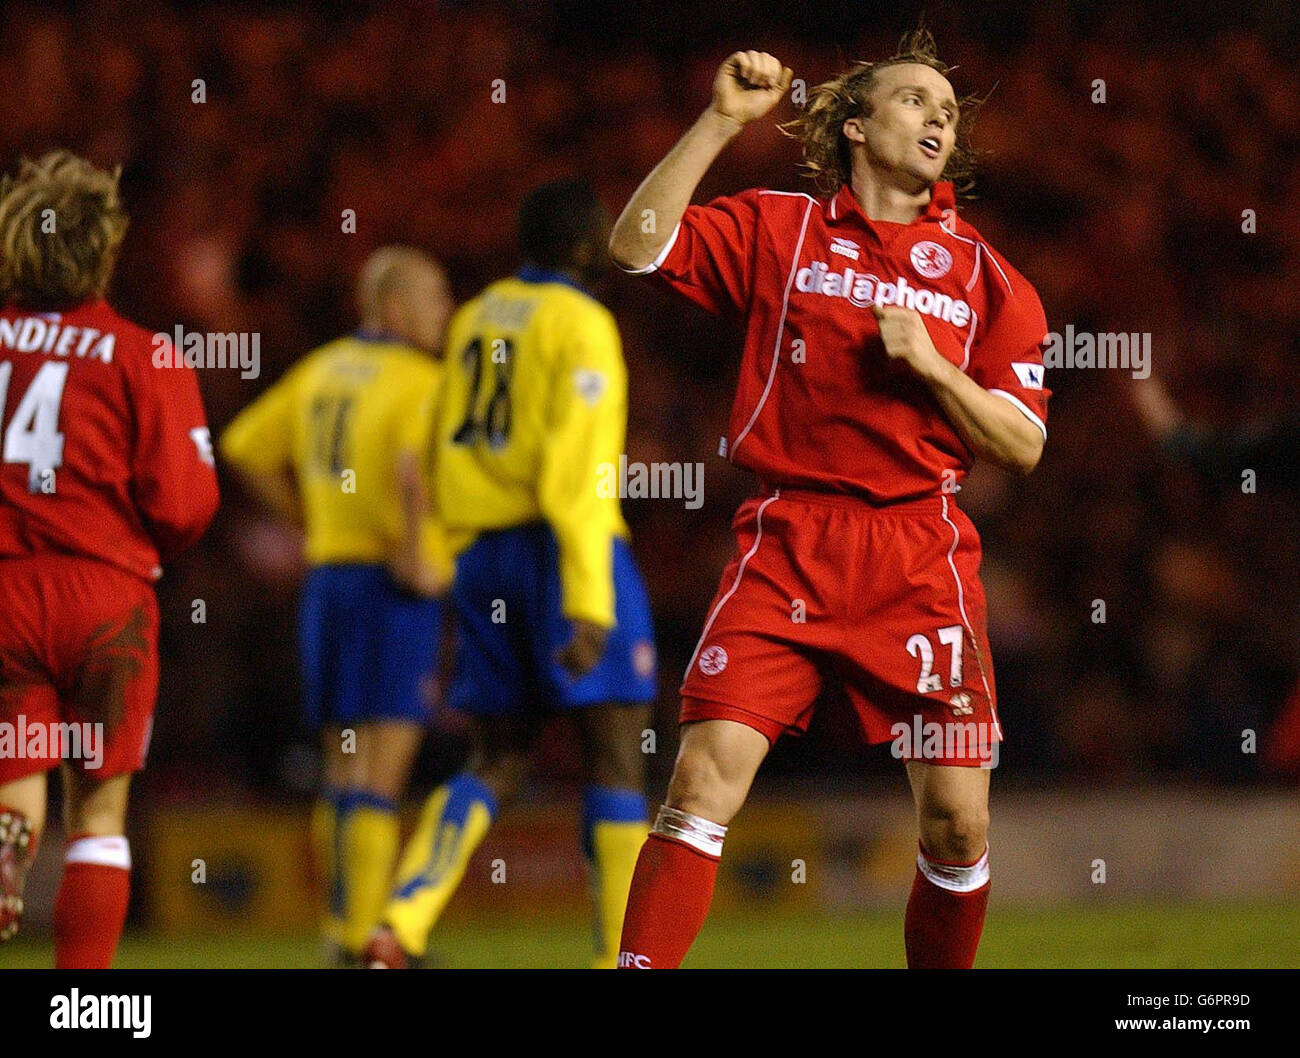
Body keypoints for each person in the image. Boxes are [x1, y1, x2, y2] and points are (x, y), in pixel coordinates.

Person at [608, 32, 1051, 968]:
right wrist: (720, 121)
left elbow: (1022, 442)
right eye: (914, 100)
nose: (938, 118)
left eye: (947, 109)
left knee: (958, 828)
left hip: (920, 552)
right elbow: (636, 248)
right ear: (855, 124)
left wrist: (932, 368)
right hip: (789, 537)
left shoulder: (988, 278)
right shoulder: (781, 228)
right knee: (698, 784)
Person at [364, 180, 658, 969]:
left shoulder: (476, 317)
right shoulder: (583, 323)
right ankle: (616, 958)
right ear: (583, 248)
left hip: (483, 559)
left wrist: (449, 546)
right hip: (562, 549)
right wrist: (589, 600)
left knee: (495, 755)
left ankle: (403, 919)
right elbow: (577, 470)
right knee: (616, 753)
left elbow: (437, 439)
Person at [0, 151, 219, 966]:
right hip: (105, 597)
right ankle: (81, 1010)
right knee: (98, 815)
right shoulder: (142, 354)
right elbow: (185, 503)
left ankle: (5, 849)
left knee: (12, 778)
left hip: (5, 592)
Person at [220, 247, 454, 965]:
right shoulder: (423, 381)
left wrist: (303, 521)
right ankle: (365, 942)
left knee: (343, 767)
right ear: (392, 307)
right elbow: (417, 474)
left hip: (329, 586)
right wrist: (417, 548)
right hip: (393, 589)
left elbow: (242, 446)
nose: (444, 309)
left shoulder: (320, 371)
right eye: (433, 296)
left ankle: (340, 930)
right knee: (381, 774)